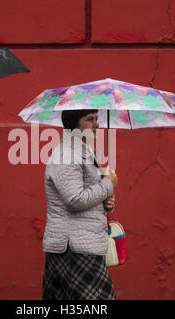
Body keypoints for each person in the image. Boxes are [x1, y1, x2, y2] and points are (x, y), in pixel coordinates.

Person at [42, 109, 118, 300]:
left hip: (83, 244)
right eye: (90, 119)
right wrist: (108, 184)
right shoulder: (66, 155)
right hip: (74, 249)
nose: (97, 124)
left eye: (97, 119)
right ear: (74, 125)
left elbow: (89, 193)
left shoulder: (83, 151)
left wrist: (107, 200)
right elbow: (75, 199)